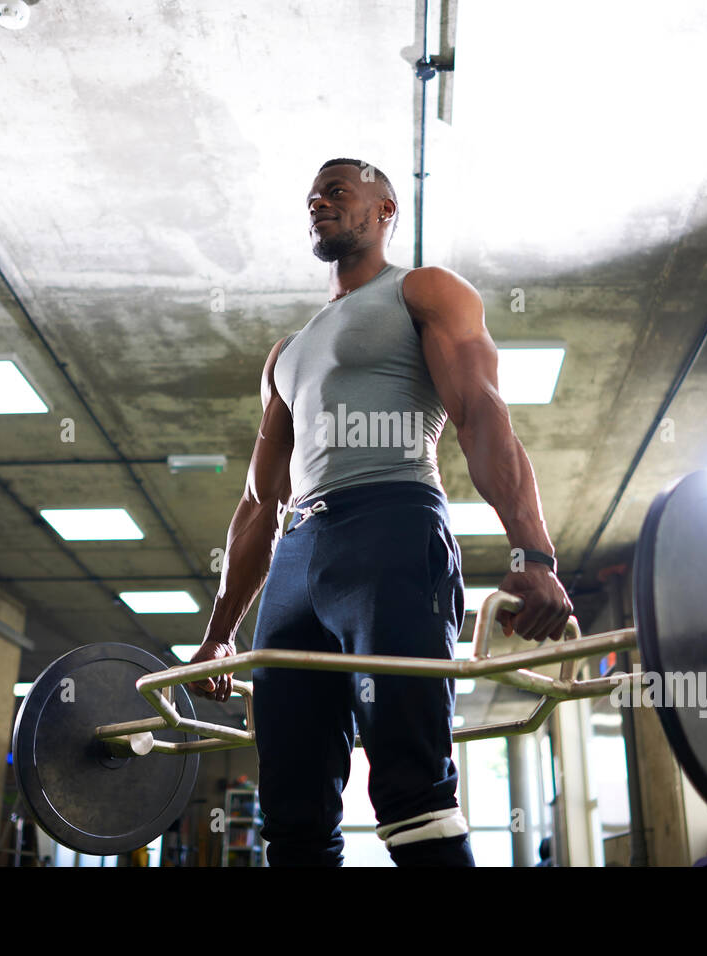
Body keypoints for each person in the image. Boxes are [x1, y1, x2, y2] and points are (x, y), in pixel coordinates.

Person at [186, 158, 573, 867]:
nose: (318, 201)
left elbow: (482, 416)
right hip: (298, 563)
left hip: (391, 529)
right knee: (292, 815)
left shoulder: (424, 290)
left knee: (410, 790)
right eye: (312, 196)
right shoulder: (285, 354)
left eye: (337, 191)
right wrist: (218, 637)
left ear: (385, 209)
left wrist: (533, 555)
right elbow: (257, 503)